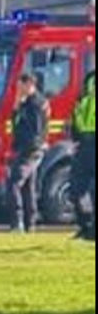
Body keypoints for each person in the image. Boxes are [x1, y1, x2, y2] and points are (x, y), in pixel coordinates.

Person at [7, 72, 48, 233]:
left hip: (30, 149)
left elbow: (36, 130)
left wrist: (28, 147)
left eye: (20, 85)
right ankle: (30, 224)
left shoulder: (36, 103)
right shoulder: (28, 103)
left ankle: (17, 223)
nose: (18, 89)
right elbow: (15, 120)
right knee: (28, 187)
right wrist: (17, 103)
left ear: (29, 83)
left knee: (14, 184)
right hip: (29, 148)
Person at [70, 70, 95, 241]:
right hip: (84, 145)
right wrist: (76, 139)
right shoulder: (83, 94)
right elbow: (76, 119)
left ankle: (90, 229)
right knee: (76, 189)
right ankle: (85, 226)